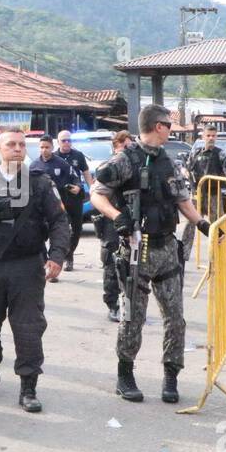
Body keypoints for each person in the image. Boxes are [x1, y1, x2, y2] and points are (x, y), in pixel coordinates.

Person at [92, 104, 211, 404]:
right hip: (137, 248)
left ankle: (171, 376)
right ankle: (125, 375)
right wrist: (116, 216)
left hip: (167, 247)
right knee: (133, 317)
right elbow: (97, 193)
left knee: (176, 318)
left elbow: (182, 199)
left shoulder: (168, 161)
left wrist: (202, 223)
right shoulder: (126, 159)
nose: (171, 129)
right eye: (169, 125)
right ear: (158, 126)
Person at [0, 129, 70, 413]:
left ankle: (28, 386)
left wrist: (57, 257)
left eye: (21, 145)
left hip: (27, 265)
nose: (17, 149)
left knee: (28, 328)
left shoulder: (40, 183)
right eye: (11, 144)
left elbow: (59, 222)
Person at [29, 135, 81, 283]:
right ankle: (45, 265)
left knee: (59, 236)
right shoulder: (34, 166)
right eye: (41, 147)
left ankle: (60, 262)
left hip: (59, 207)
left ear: (52, 147)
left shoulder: (61, 163)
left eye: (47, 147)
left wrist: (77, 187)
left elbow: (75, 177)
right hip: (40, 209)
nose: (44, 150)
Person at [95, 130, 132, 323]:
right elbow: (98, 192)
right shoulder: (110, 167)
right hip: (112, 220)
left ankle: (130, 304)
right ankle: (112, 305)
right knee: (112, 262)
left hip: (131, 221)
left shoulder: (134, 165)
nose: (127, 150)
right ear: (116, 146)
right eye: (124, 146)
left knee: (132, 265)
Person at [53, 130, 93, 271]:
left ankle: (69, 254)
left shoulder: (78, 155)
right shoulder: (54, 157)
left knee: (77, 229)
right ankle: (60, 258)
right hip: (59, 199)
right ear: (58, 142)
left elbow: (86, 173)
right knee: (61, 228)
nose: (67, 143)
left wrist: (92, 190)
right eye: (64, 140)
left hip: (76, 197)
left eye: (69, 140)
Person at [189, 126, 226, 223]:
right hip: (197, 195)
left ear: (216, 137)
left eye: (213, 136)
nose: (211, 138)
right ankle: (186, 239)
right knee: (191, 224)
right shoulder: (196, 153)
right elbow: (188, 171)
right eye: (208, 135)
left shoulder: (220, 154)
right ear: (203, 137)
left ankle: (218, 239)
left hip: (214, 195)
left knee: (217, 226)